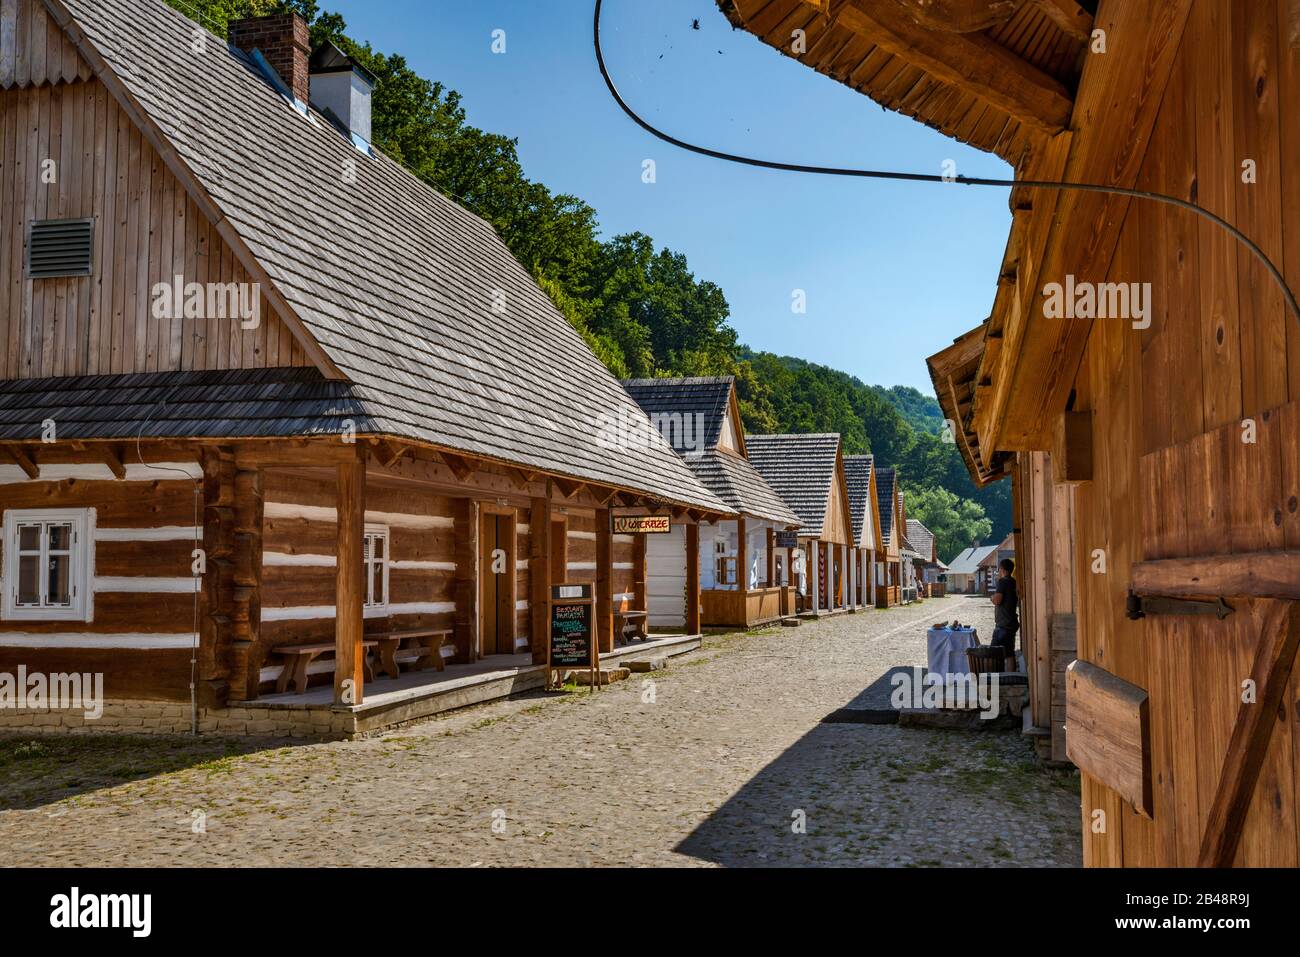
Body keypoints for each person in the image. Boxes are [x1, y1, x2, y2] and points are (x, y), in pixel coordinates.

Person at [990, 558, 1019, 669]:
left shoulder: (1002, 582)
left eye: (999, 569)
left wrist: (992, 598)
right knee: (1009, 653)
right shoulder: (1013, 581)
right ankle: (1010, 678)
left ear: (1002, 569)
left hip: (1003, 624)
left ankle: (993, 680)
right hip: (1011, 622)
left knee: (992, 653)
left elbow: (997, 600)